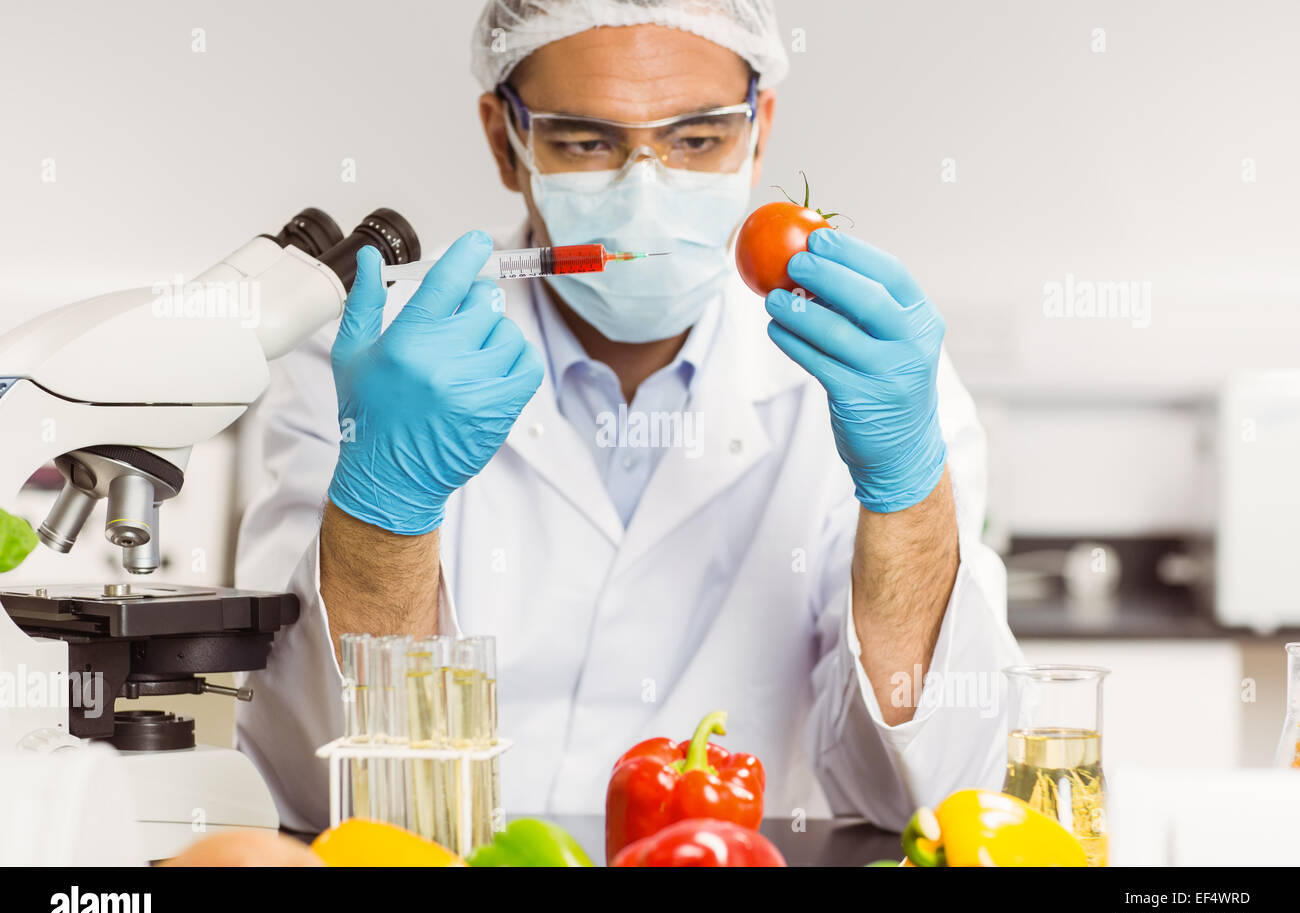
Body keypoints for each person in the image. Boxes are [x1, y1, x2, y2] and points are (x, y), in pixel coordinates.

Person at [234, 0, 1023, 834]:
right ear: (507, 139)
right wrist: (382, 512)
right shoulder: (365, 359)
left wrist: (905, 494)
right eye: (586, 141)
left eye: (697, 139)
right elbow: (311, 789)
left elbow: (929, 795)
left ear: (759, 130)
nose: (645, 192)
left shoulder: (872, 368)